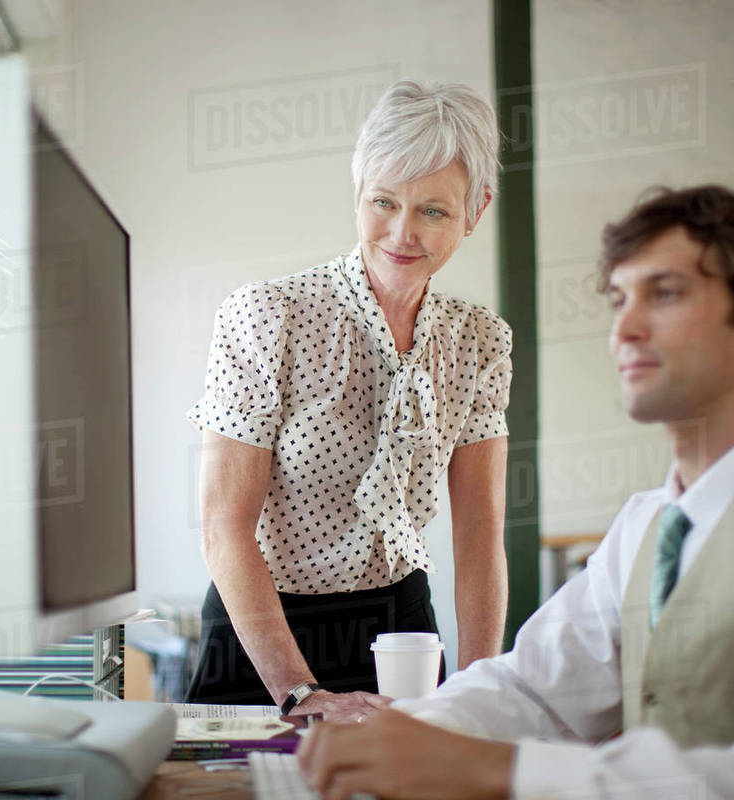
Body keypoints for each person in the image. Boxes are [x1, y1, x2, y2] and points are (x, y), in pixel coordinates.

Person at [298, 185, 734, 799]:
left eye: (666, 294)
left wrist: (503, 772)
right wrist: (388, 736)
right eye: (620, 299)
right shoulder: (647, 523)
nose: (623, 328)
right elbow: (532, 689)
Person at [184, 79, 512, 719]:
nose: (402, 232)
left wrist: (479, 697)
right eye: (383, 202)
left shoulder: (480, 340)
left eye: (434, 211)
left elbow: (480, 533)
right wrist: (301, 691)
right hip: (264, 631)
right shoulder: (268, 315)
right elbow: (224, 527)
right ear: (358, 194)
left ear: (476, 212)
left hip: (402, 623)